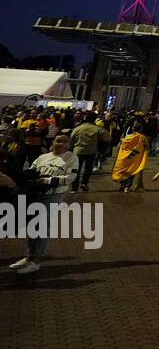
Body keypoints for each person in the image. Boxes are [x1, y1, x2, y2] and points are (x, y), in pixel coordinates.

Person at [8, 133, 76, 275]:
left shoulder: (71, 157)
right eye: (58, 141)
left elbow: (71, 177)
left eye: (64, 142)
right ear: (53, 142)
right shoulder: (43, 157)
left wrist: (48, 180)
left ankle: (35, 261)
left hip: (53, 194)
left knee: (41, 225)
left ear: (68, 144)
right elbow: (32, 169)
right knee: (32, 225)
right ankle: (29, 257)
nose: (60, 144)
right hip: (35, 193)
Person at [70, 117, 105, 192]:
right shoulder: (97, 129)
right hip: (91, 151)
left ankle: (74, 188)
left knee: (76, 169)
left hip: (78, 151)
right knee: (88, 169)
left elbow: (71, 140)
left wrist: (70, 150)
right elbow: (108, 138)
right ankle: (84, 183)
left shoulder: (78, 128)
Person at [112, 122, 149, 192]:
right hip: (134, 157)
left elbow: (123, 144)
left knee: (122, 172)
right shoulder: (142, 137)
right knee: (131, 171)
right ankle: (127, 187)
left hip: (124, 157)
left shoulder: (128, 136)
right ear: (141, 129)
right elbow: (145, 147)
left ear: (133, 128)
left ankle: (123, 185)